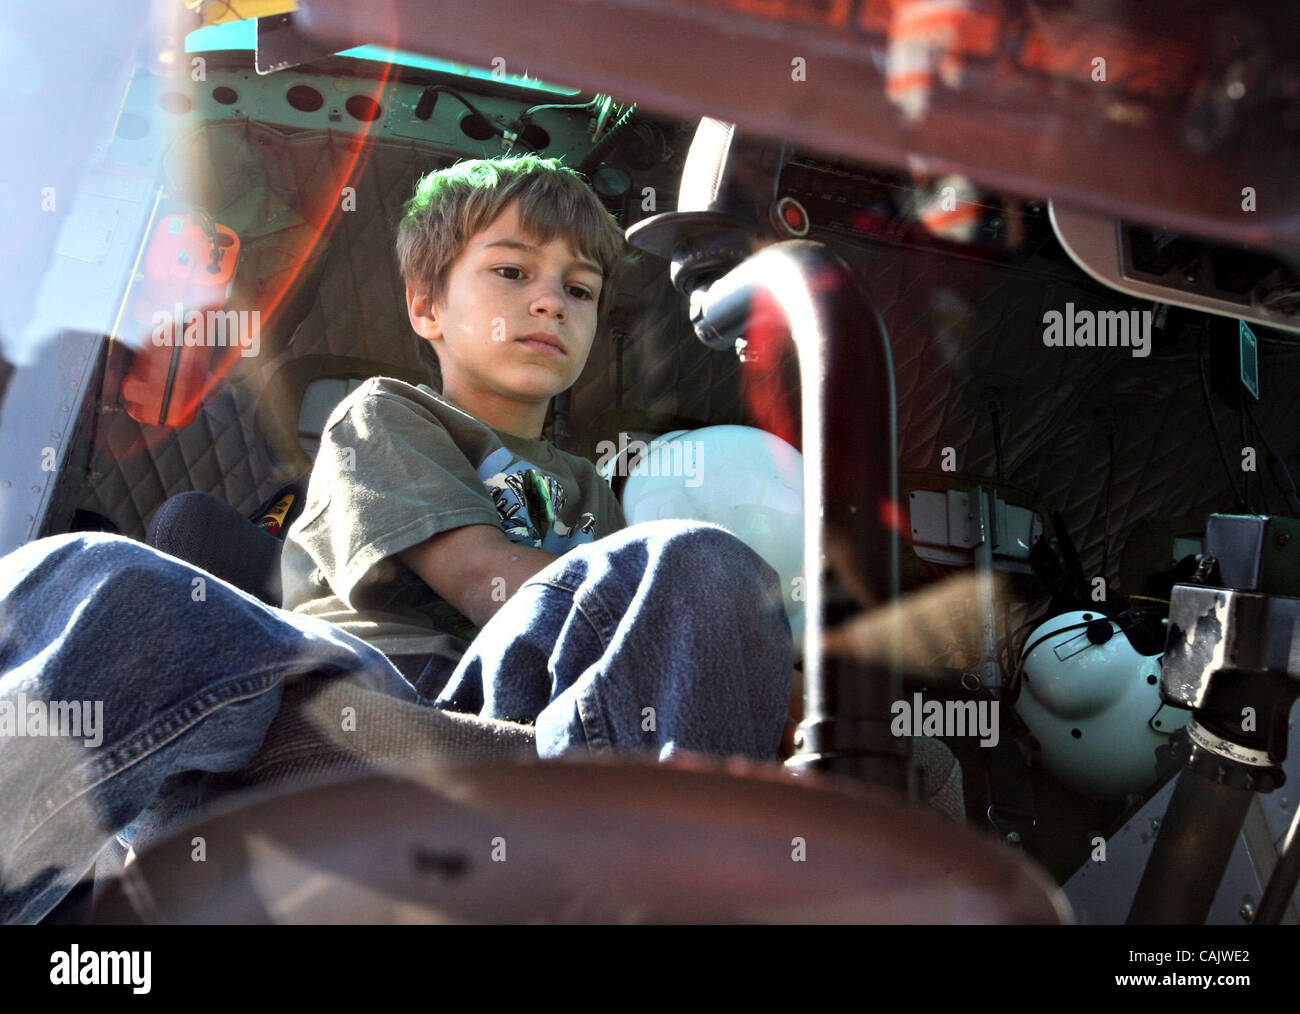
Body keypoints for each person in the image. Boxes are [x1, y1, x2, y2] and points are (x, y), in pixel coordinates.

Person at [0, 155, 794, 923]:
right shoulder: (388, 417)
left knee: (702, 565)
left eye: (579, 289)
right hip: (356, 732)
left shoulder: (592, 492)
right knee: (99, 580)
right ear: (426, 310)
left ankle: (676, 888)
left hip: (524, 747)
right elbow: (478, 575)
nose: (551, 302)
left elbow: (651, 636)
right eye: (513, 273)